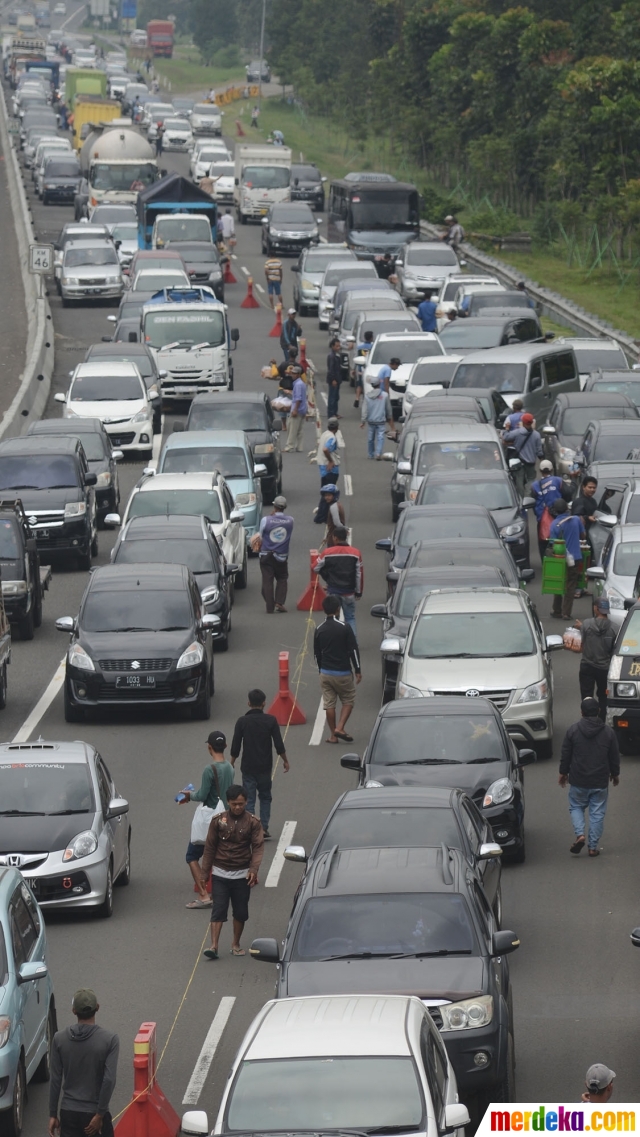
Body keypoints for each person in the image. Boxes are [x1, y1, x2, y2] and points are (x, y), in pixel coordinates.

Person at [200, 785, 265, 958]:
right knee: (218, 909)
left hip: (242, 875)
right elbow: (210, 848)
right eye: (234, 804)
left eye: (241, 804)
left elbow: (258, 847)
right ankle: (213, 946)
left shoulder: (253, 822)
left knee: (241, 911)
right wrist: (204, 873)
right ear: (228, 802)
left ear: (246, 802)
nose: (238, 807)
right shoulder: (217, 821)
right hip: (220, 873)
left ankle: (235, 944)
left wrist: (254, 869)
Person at [49, 990, 119, 1137]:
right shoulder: (110, 1040)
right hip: (94, 1113)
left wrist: (53, 1114)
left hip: (68, 1113)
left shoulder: (59, 1039)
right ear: (97, 1007)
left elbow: (55, 1079)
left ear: (74, 1011)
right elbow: (109, 1080)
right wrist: (100, 1115)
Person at [178, 731, 235, 908]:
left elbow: (203, 795)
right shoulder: (230, 768)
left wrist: (188, 795)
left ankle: (204, 895)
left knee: (192, 855)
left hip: (210, 820)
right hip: (225, 817)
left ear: (209, 747)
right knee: (219, 855)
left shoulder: (209, 769)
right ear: (225, 746)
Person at [559, 697, 619, 857]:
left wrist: (563, 773)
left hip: (578, 780)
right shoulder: (608, 732)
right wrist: (615, 774)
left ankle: (580, 835)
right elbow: (614, 756)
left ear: (582, 712)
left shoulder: (573, 730)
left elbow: (566, 754)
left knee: (576, 807)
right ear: (599, 711)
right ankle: (592, 848)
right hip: (600, 781)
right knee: (597, 813)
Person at [230, 689, 290, 838]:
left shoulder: (242, 721)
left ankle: (251, 828)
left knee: (248, 798)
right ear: (264, 703)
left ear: (248, 703)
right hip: (265, 767)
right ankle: (263, 827)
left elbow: (235, 745)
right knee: (265, 796)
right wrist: (285, 760)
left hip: (248, 767)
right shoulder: (270, 721)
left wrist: (231, 762)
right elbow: (278, 744)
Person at [314, 594, 362, 743]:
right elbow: (353, 650)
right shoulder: (345, 627)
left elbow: (317, 654)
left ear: (323, 610)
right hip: (343, 672)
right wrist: (358, 669)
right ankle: (340, 727)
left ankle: (333, 736)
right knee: (348, 699)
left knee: (329, 703)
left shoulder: (319, 629)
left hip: (326, 672)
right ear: (337, 609)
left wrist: (321, 670)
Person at [314, 525, 364, 637]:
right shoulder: (355, 553)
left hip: (333, 591)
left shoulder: (327, 552)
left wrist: (327, 577)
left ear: (335, 538)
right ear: (346, 536)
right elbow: (359, 574)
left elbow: (315, 567)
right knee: (350, 617)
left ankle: (333, 641)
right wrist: (358, 591)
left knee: (332, 618)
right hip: (349, 592)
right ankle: (353, 643)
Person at [575, 598, 617, 720]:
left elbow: (580, 642)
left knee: (587, 695)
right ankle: (602, 720)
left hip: (587, 666)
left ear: (596, 608)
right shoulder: (615, 628)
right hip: (605, 668)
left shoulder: (586, 624)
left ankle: (587, 719)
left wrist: (580, 626)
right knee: (604, 696)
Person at [549, 499, 586, 620]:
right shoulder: (576, 519)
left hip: (560, 559)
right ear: (567, 509)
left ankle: (557, 610)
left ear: (555, 511)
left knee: (559, 583)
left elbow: (553, 543)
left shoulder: (554, 524)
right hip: (575, 558)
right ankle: (566, 613)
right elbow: (583, 535)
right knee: (571, 585)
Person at [257, 495, 293, 613]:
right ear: (284, 508)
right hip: (281, 556)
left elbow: (260, 536)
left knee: (267, 580)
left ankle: (269, 606)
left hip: (266, 554)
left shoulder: (266, 520)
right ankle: (279, 601)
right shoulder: (290, 521)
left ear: (274, 506)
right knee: (282, 578)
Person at [531, 459, 566, 561]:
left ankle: (545, 563)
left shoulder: (535, 485)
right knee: (559, 540)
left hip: (542, 519)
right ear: (551, 469)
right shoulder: (558, 481)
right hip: (559, 517)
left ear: (540, 470)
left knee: (543, 542)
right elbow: (567, 493)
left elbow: (533, 502)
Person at [502, 412, 543, 495]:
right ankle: (528, 495)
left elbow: (506, 437)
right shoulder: (537, 435)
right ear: (532, 422)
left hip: (519, 462)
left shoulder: (517, 433)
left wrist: (506, 429)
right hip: (531, 463)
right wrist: (542, 462)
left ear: (523, 422)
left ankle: (521, 499)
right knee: (531, 479)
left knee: (519, 481)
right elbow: (539, 451)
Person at [361, 375, 393, 459]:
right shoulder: (385, 395)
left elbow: (364, 410)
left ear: (372, 385)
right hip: (381, 420)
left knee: (370, 438)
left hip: (371, 420)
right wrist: (389, 417)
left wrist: (363, 421)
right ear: (379, 384)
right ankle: (378, 453)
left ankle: (370, 454)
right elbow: (388, 408)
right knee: (380, 437)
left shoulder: (367, 396)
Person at [284, 367, 308, 451]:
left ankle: (289, 446)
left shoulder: (297, 384)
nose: (292, 375)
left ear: (298, 374)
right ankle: (299, 447)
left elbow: (298, 398)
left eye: (294, 373)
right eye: (292, 373)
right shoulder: (302, 383)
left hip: (297, 410)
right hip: (303, 409)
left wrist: (295, 409)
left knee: (292, 429)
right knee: (300, 430)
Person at [316, 417, 341, 486]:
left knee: (324, 487)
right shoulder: (332, 437)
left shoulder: (324, 434)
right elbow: (325, 449)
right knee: (330, 488)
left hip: (322, 464)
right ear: (337, 427)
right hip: (329, 467)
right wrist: (331, 461)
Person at [353, 330, 374, 408]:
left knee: (359, 384)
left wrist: (353, 369)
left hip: (360, 368)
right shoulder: (373, 347)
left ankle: (357, 398)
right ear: (371, 338)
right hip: (369, 368)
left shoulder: (359, 347)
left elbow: (356, 358)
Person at [326, 336, 342, 417]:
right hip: (333, 380)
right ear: (332, 346)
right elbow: (331, 369)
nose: (338, 347)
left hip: (337, 379)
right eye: (337, 346)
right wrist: (333, 379)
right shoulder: (331, 356)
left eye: (339, 346)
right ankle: (331, 413)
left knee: (336, 397)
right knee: (332, 397)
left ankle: (335, 412)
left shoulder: (336, 355)